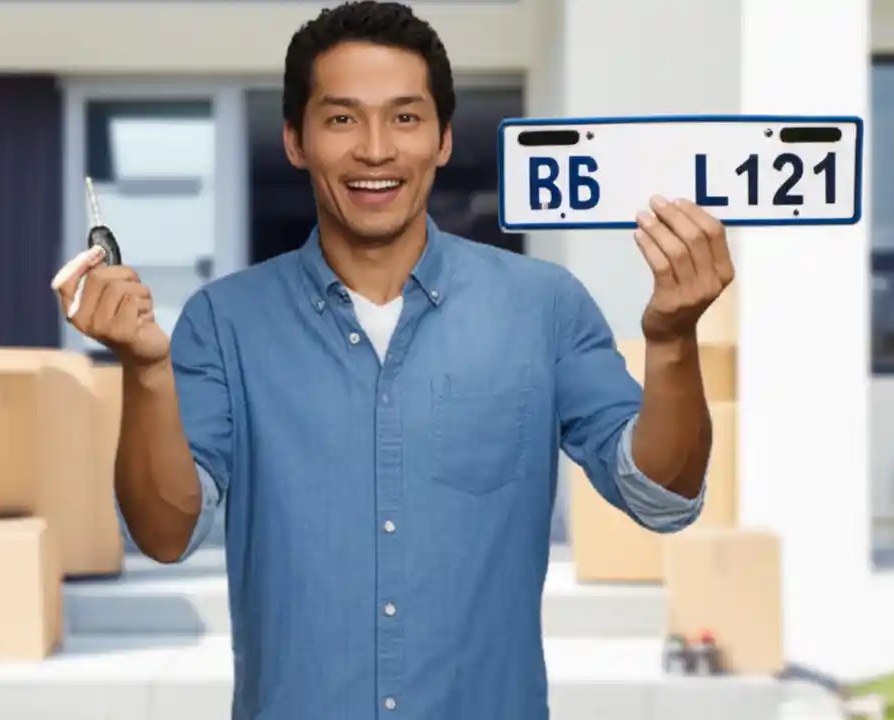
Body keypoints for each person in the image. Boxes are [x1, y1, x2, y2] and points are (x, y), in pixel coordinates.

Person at [51, 1, 733, 717]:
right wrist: (145, 371)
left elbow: (661, 496)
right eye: (341, 118)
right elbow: (164, 535)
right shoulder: (226, 321)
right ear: (295, 139)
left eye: (405, 118)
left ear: (443, 138)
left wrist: (673, 339)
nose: (375, 150)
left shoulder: (544, 305)